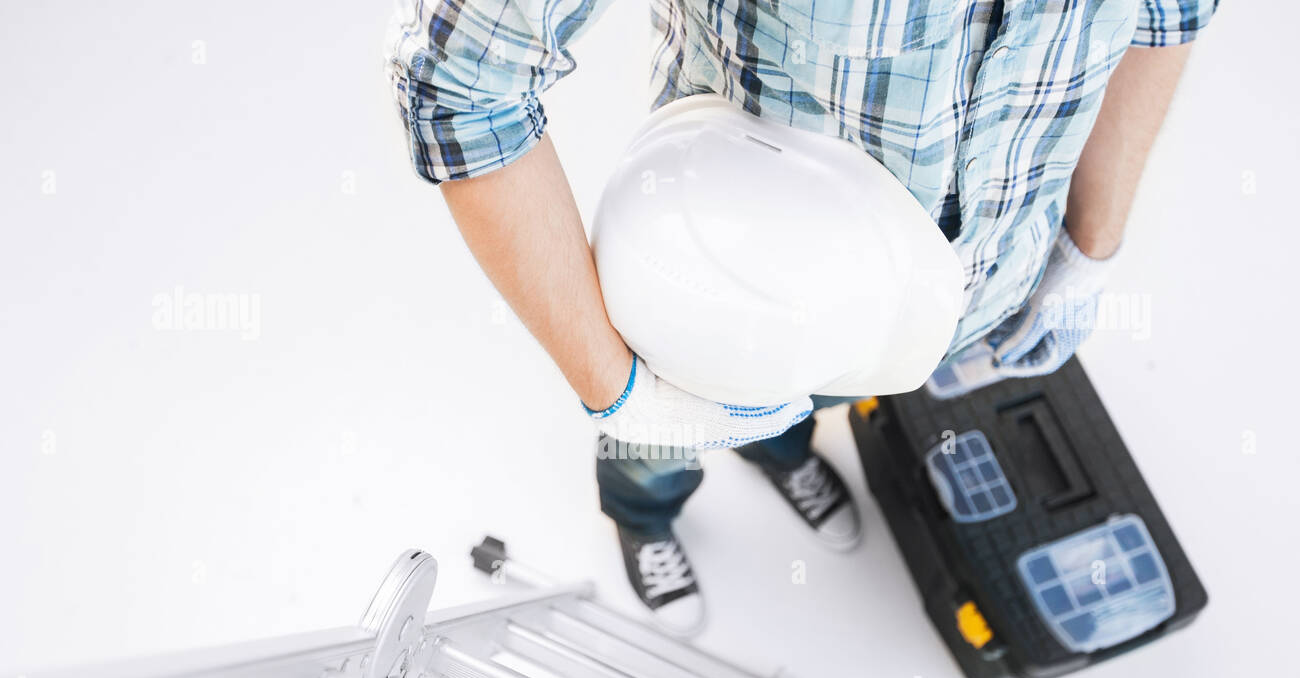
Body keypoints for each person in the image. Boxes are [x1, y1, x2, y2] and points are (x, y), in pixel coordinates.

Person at [385, 0, 1216, 635]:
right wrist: (619, 392)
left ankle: (777, 447)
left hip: (931, 307)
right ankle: (643, 511)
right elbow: (457, 80)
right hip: (716, 283)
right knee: (655, 445)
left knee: (800, 405)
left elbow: (1170, 10)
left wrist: (1089, 246)